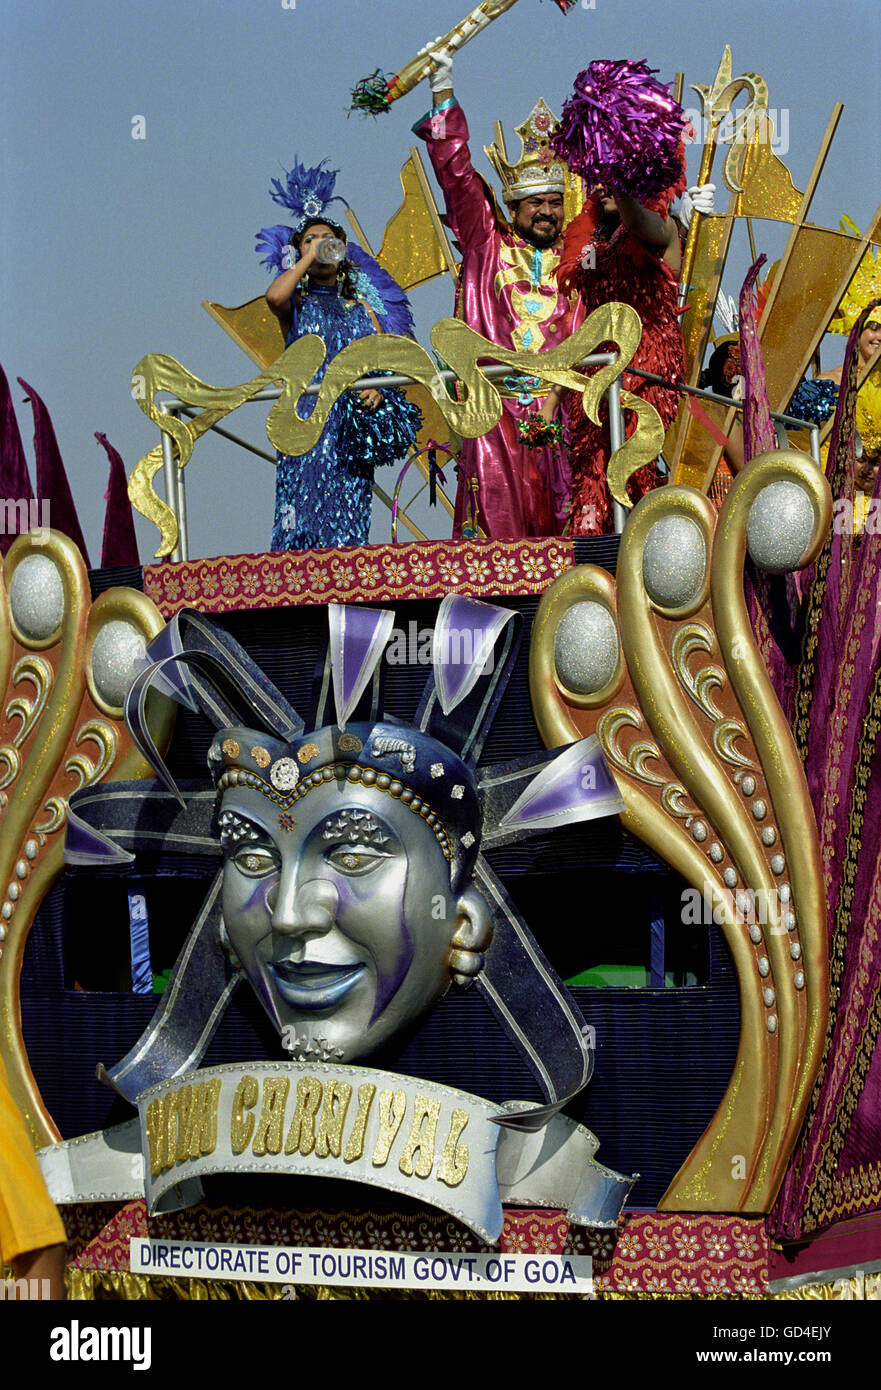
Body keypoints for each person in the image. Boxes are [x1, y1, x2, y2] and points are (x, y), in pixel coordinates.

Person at [410, 42, 583, 540]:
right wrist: (442, 88)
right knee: (493, 537)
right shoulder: (487, 244)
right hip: (494, 416)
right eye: (535, 203)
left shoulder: (579, 260)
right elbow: (457, 177)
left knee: (562, 540)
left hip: (559, 415)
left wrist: (674, 219)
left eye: (555, 202)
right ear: (514, 206)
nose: (546, 211)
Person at [258, 163, 422, 552]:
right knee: (301, 511)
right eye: (310, 238)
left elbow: (386, 362)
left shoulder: (362, 309)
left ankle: (346, 582)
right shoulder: (298, 304)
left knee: (347, 516)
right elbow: (274, 297)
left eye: (328, 239)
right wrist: (306, 258)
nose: (320, 243)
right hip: (306, 423)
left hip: (348, 431)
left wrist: (379, 391)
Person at [540, 180, 687, 535]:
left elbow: (636, 220)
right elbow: (591, 326)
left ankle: (641, 545)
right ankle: (592, 554)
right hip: (597, 372)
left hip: (644, 365)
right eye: (598, 177)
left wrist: (622, 177)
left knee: (632, 468)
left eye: (612, 175)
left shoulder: (660, 227)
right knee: (590, 473)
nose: (602, 185)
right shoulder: (594, 243)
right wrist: (552, 399)